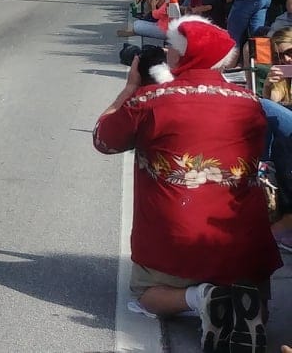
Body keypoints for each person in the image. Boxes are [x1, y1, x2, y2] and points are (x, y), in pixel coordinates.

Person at [94, 17, 277, 347]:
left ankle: (200, 298)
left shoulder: (150, 101)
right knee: (249, 285)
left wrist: (131, 88)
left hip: (175, 244)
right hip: (242, 241)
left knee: (145, 295)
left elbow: (103, 140)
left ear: (179, 55)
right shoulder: (250, 103)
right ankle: (251, 307)